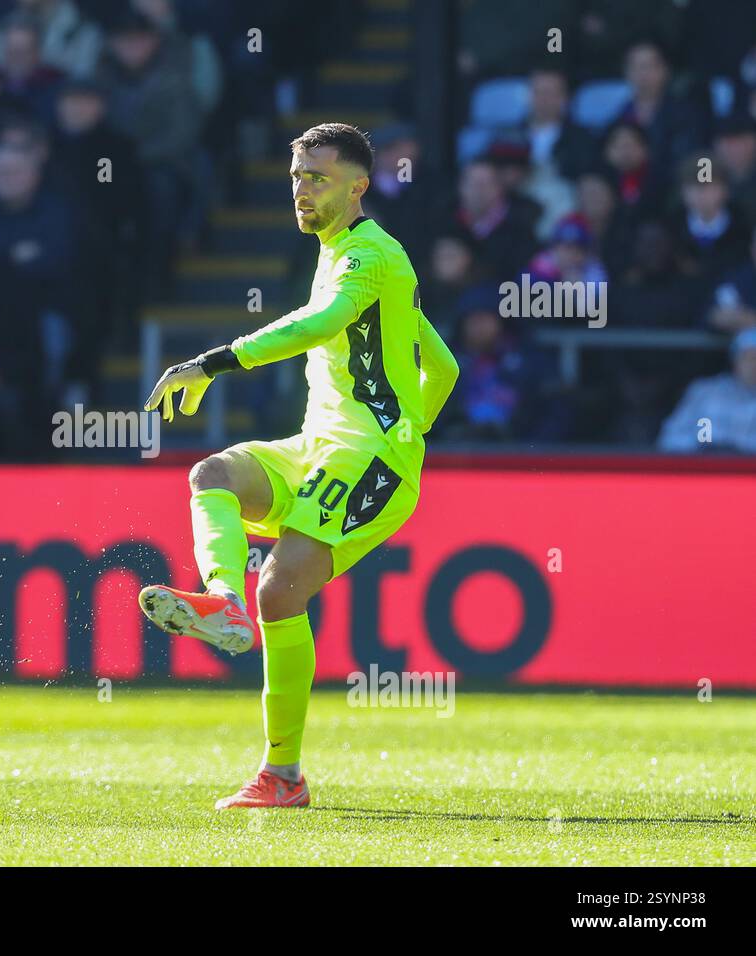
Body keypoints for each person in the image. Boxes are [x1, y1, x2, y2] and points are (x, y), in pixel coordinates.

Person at [138, 124, 458, 810]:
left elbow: (318, 325)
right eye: (296, 177)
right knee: (213, 477)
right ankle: (221, 601)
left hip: (370, 456)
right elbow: (445, 365)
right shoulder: (344, 253)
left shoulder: (375, 255)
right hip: (319, 443)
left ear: (358, 186)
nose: (302, 190)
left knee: (280, 591)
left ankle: (281, 776)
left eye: (317, 177)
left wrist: (213, 362)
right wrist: (418, 419)